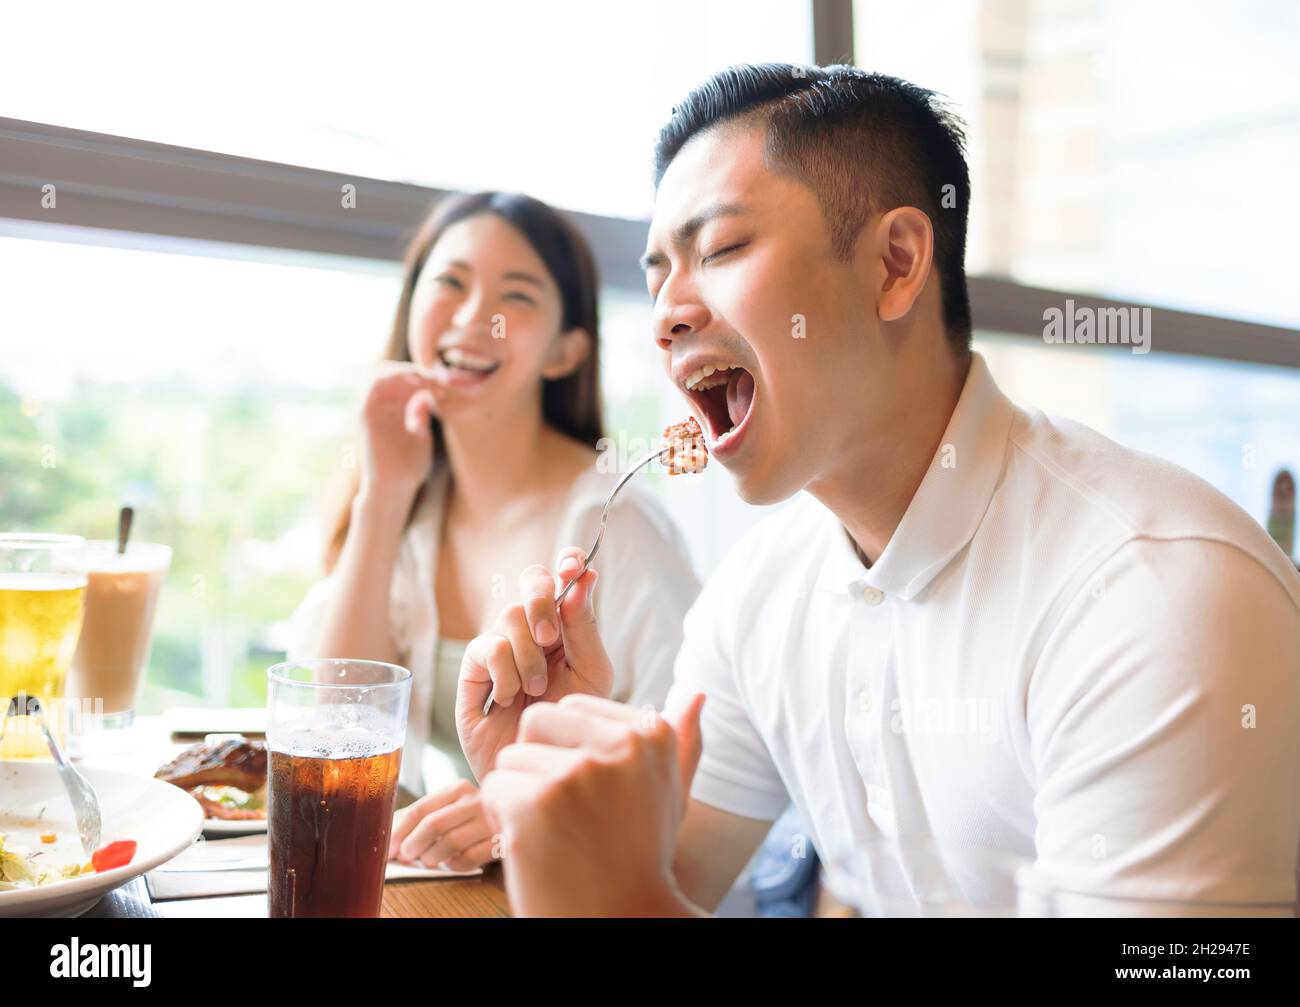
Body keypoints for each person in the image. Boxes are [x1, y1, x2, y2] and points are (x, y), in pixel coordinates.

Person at [458, 65, 1300, 916]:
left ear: (895, 263)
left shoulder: (1157, 596)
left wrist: (625, 893)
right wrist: (548, 782)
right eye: (656, 277)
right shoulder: (756, 596)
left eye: (717, 251)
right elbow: (674, 876)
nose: (666, 315)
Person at [288, 191, 699, 871]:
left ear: (566, 351)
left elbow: (688, 776)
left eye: (517, 296)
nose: (476, 317)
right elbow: (333, 723)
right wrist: (384, 493)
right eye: (449, 283)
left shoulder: (616, 528)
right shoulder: (413, 506)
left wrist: (522, 818)